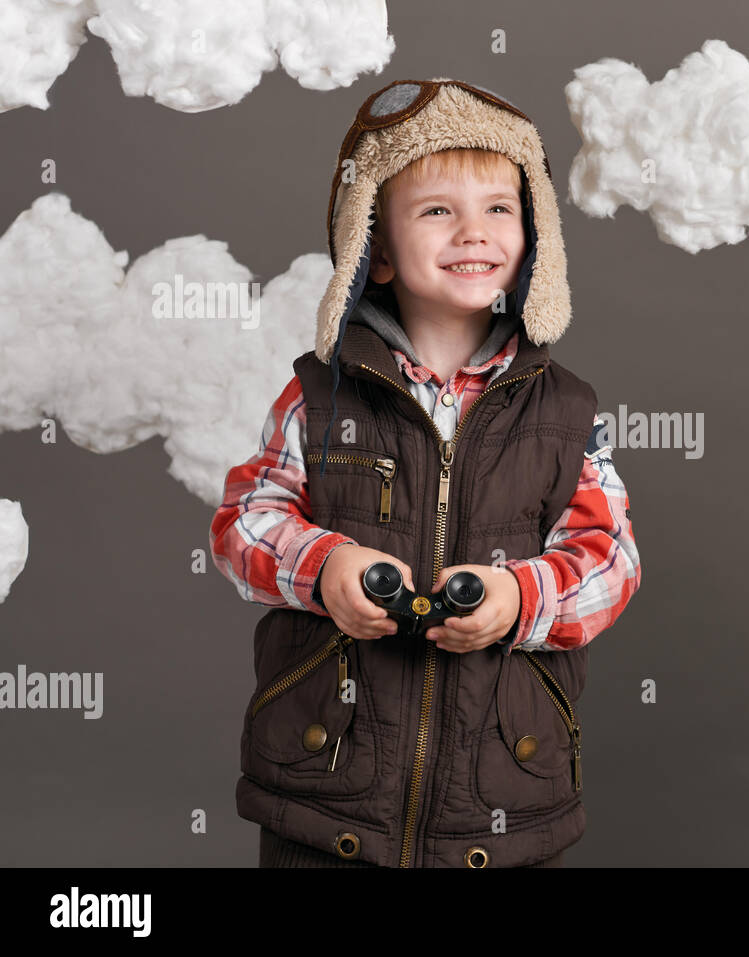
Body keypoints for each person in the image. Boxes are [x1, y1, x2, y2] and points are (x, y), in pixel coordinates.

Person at [208, 78, 641, 868]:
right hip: (326, 787)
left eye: (500, 208)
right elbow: (245, 521)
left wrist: (517, 596)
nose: (473, 230)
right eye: (438, 209)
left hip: (500, 797)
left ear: (534, 238)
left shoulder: (568, 410)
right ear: (372, 248)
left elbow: (612, 560)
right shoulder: (319, 391)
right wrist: (325, 566)